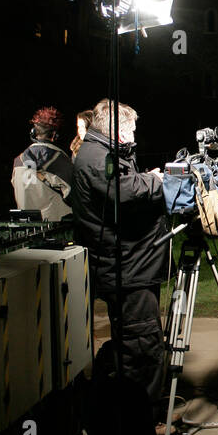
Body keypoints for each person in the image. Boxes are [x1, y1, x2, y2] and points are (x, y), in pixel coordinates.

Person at [68, 99, 169, 413]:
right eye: (132, 127)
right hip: (126, 268)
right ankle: (143, 418)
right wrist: (156, 181)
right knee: (141, 342)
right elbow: (122, 192)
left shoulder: (103, 152)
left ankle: (133, 413)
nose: (135, 133)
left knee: (137, 338)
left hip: (129, 263)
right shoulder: (98, 157)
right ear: (117, 129)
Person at [10, 106, 73, 220]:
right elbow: (73, 194)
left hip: (27, 227)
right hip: (56, 228)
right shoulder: (58, 158)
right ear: (55, 135)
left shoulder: (17, 161)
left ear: (33, 132)